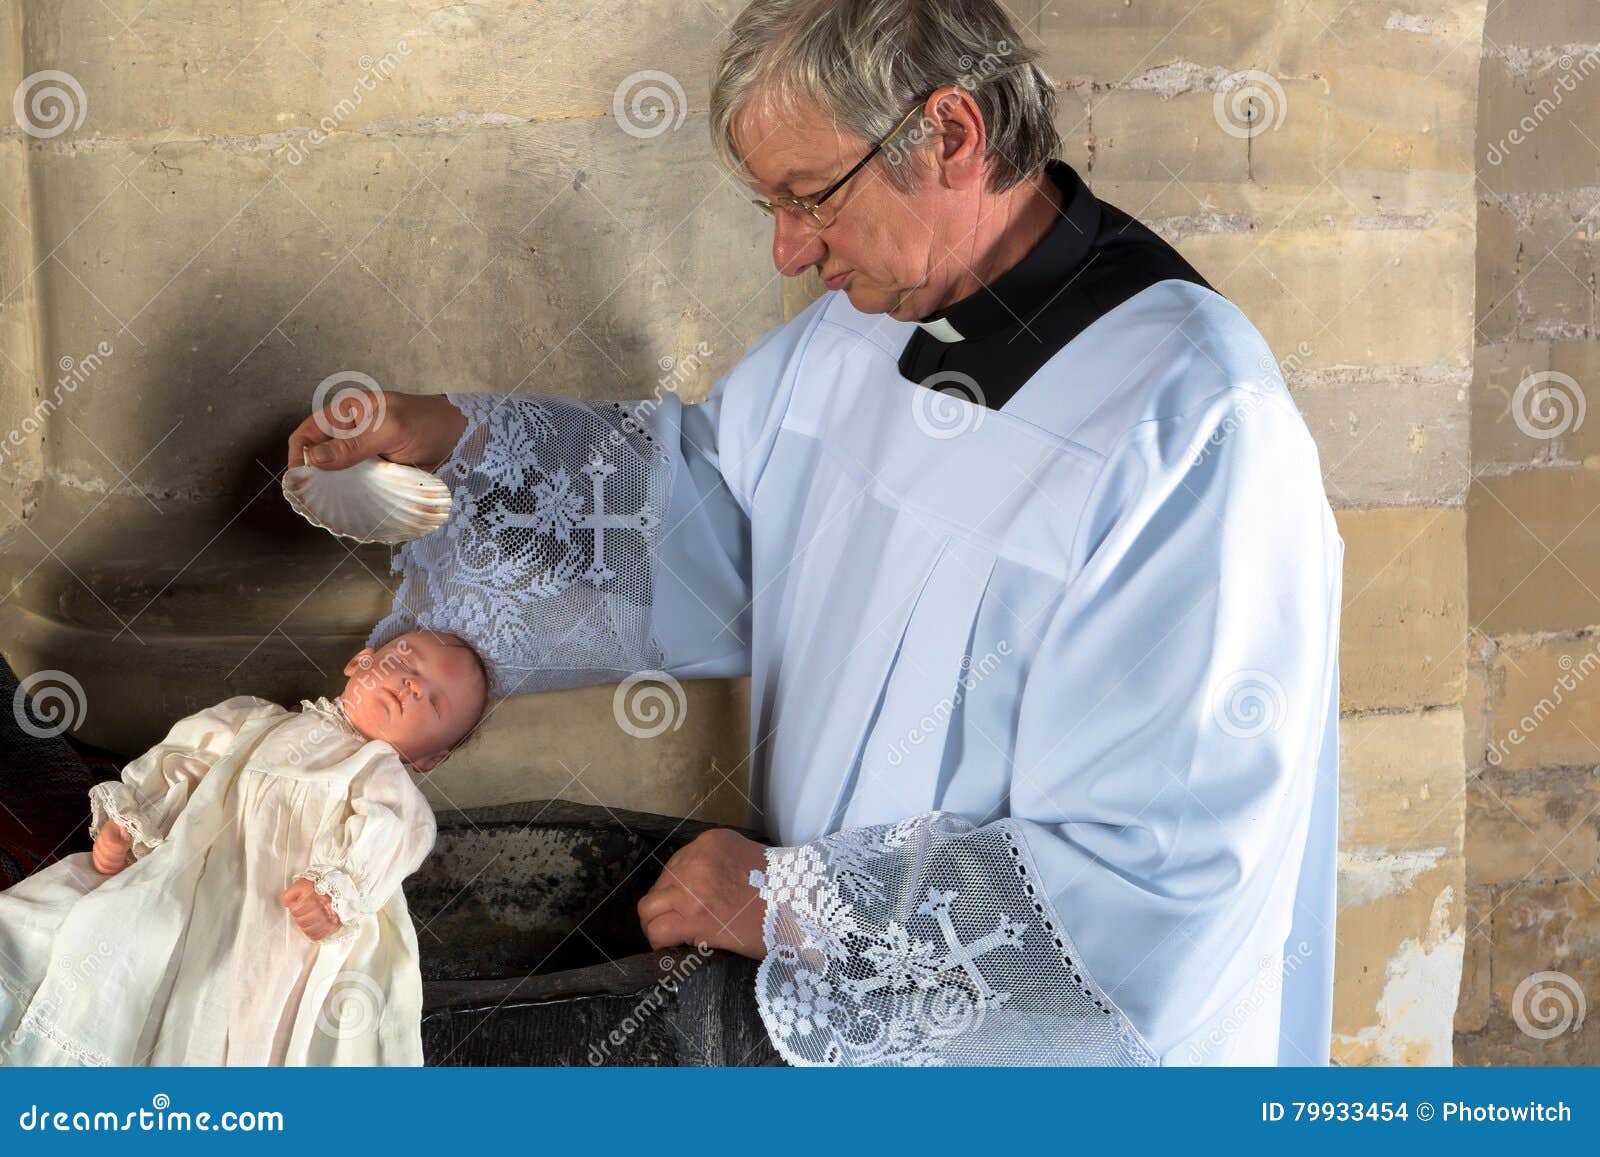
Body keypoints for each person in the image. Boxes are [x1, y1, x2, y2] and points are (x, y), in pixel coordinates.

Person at [287, 0, 1342, 1067]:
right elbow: (723, 521)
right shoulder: (862, 325)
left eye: (808, 198)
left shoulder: (1190, 421)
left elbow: (1160, 876)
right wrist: (454, 445)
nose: (793, 250)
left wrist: (792, 900)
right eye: (770, 207)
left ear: (950, 135)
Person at [0, 629, 483, 1065]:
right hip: (186, 875)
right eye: (407, 660)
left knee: (243, 1015)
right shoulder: (255, 719)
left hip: (278, 921)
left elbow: (394, 832)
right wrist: (132, 820)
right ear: (359, 662)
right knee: (116, 931)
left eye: (434, 703)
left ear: (429, 759)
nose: (413, 685)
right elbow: (186, 763)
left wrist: (337, 891)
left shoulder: (380, 774)